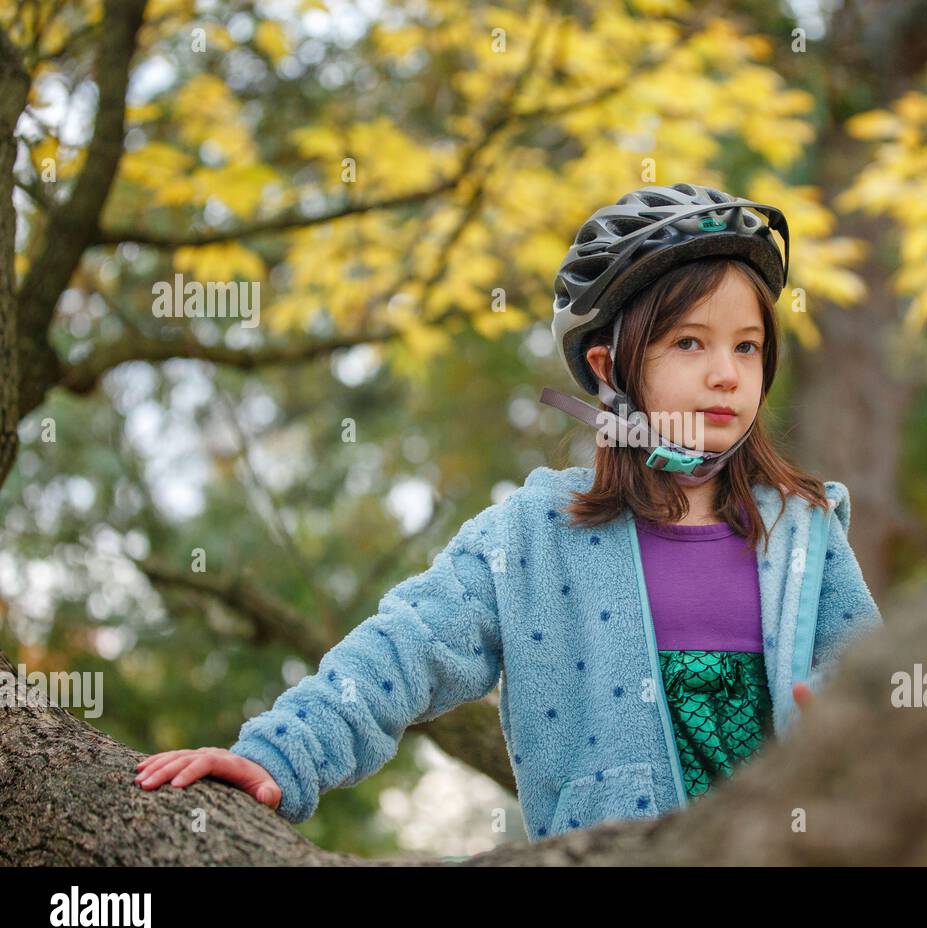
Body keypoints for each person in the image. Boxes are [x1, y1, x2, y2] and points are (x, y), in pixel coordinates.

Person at [133, 182, 884, 842]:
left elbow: (869, 681)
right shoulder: (535, 535)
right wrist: (275, 756)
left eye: (747, 347)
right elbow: (402, 653)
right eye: (690, 341)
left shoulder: (803, 531)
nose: (726, 374)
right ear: (607, 366)